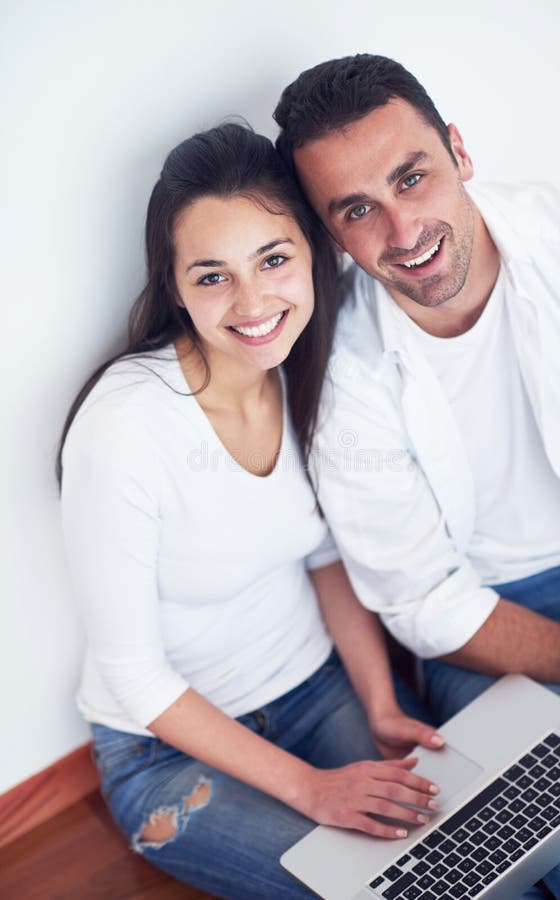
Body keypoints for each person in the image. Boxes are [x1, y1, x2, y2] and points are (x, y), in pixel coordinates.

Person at [57, 122, 446, 900]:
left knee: (462, 851)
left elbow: (321, 556)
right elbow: (134, 678)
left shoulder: (308, 368)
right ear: (173, 286)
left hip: (317, 688)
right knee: (384, 890)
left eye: (272, 259)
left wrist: (377, 702)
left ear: (311, 253)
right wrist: (311, 789)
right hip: (166, 753)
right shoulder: (124, 428)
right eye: (212, 277)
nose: (252, 301)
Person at [273, 54, 560, 898]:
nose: (403, 231)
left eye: (411, 178)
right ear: (328, 233)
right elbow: (425, 604)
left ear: (458, 151)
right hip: (492, 637)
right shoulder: (336, 370)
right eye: (357, 210)